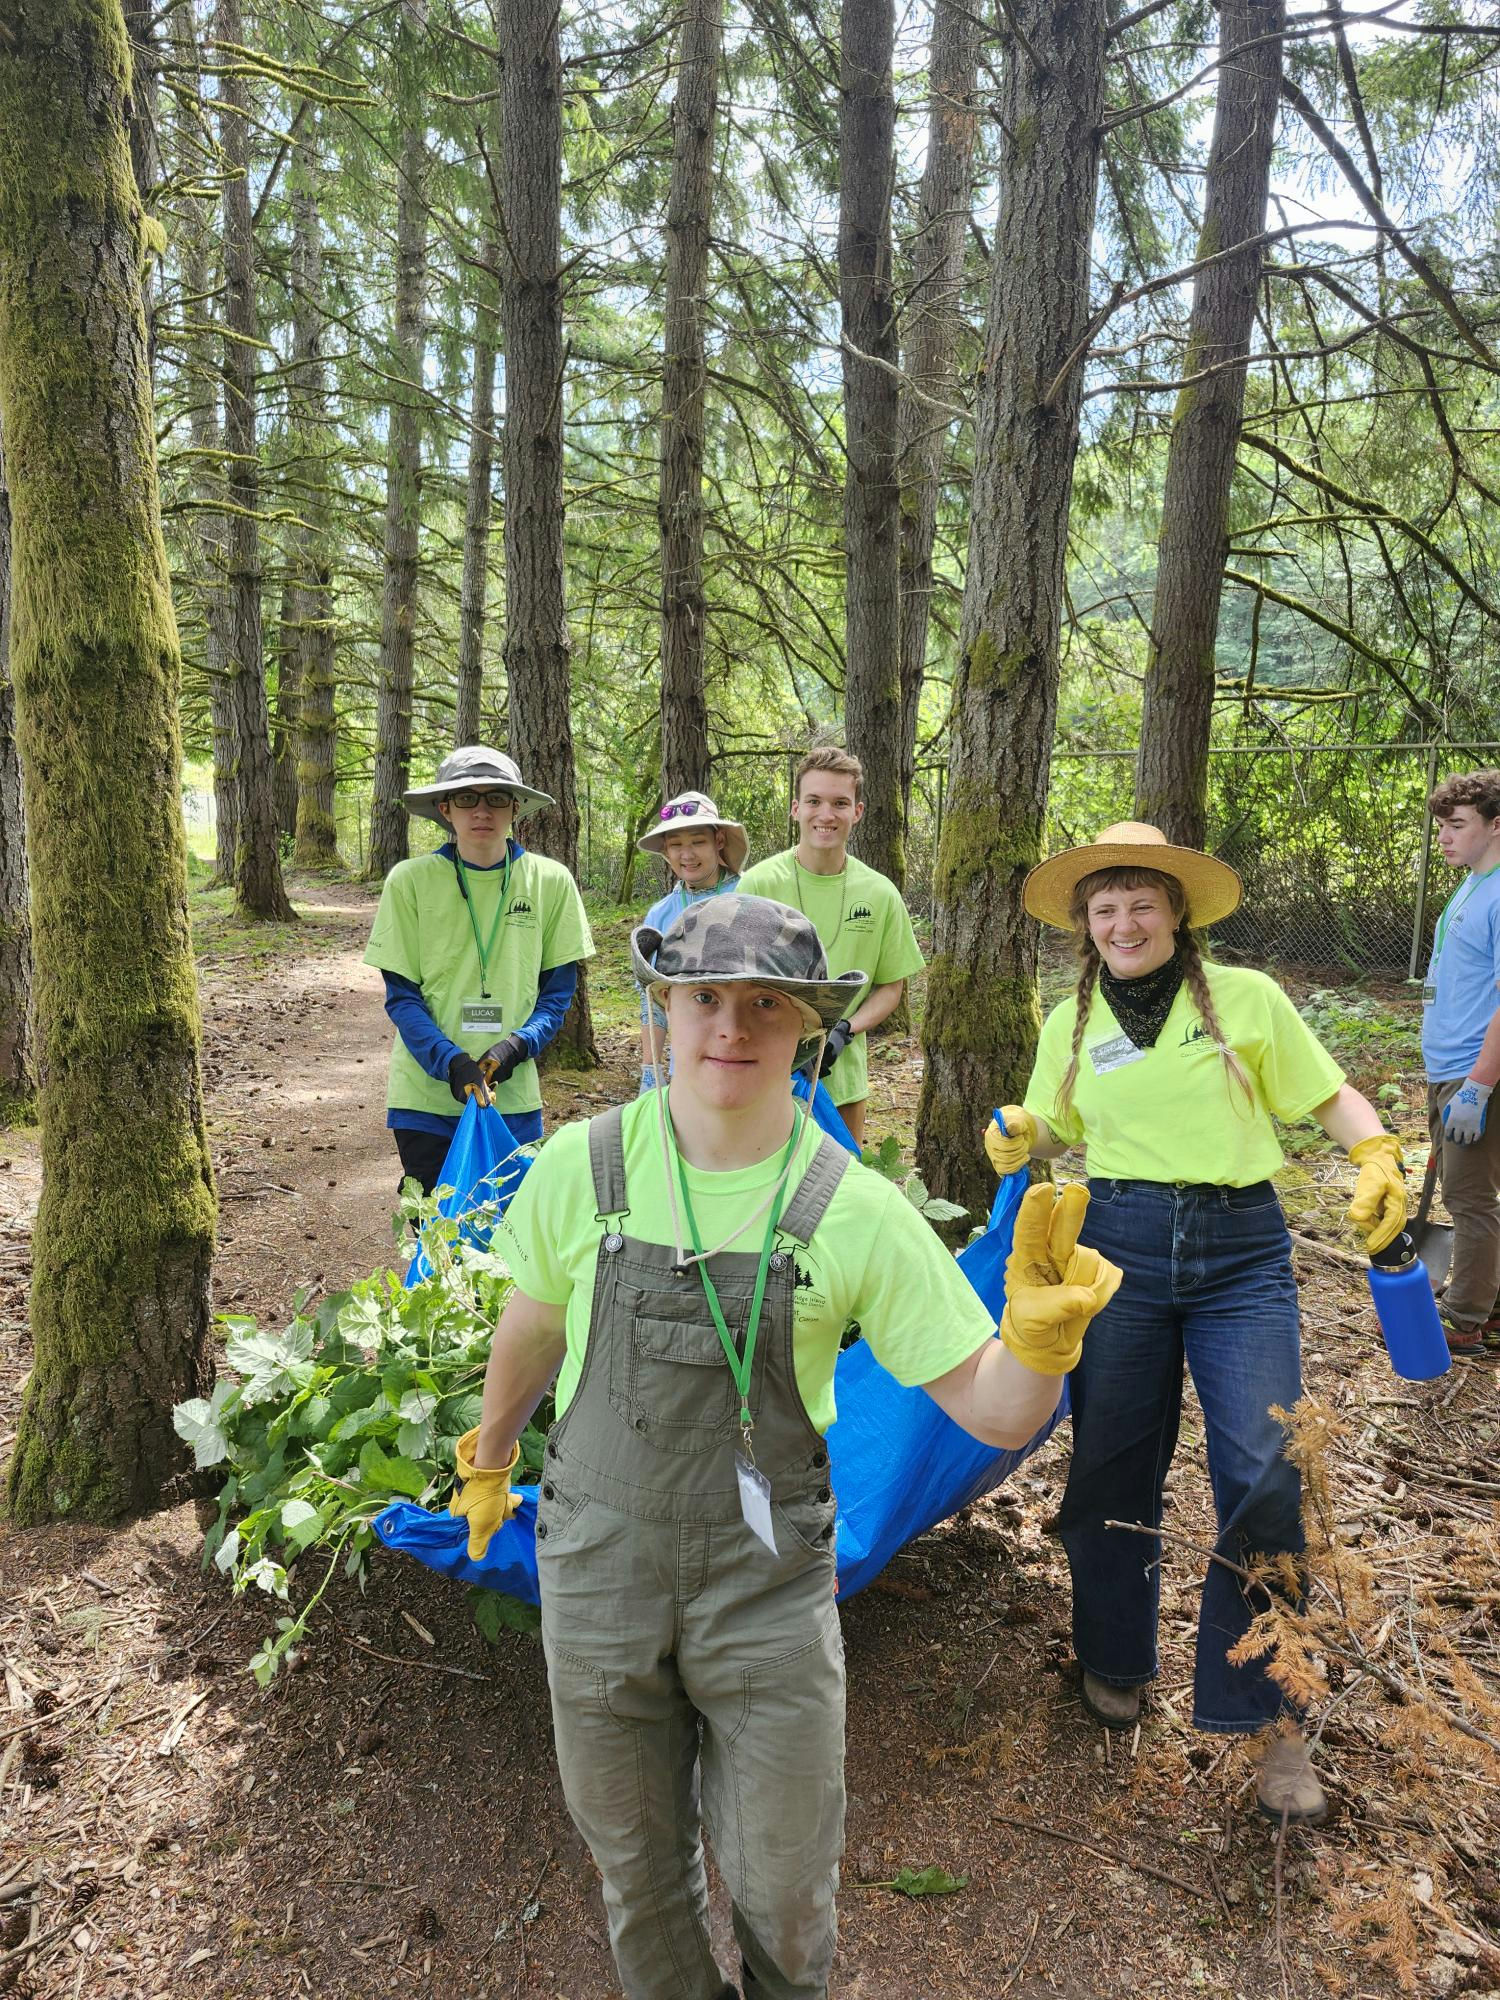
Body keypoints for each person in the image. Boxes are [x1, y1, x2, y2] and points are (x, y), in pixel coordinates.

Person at [449, 895, 1121, 2000]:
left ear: (810, 1023)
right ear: (663, 1006)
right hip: (595, 1565)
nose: (731, 1025)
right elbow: (531, 1322)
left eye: (767, 1002)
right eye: (705, 996)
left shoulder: (853, 1207)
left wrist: (1041, 1341)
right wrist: (493, 1453)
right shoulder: (582, 1164)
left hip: (765, 1587)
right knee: (635, 1861)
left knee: (785, 1878)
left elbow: (997, 1412)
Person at [982, 821, 1406, 1825]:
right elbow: (1054, 1121)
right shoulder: (1069, 1019)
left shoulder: (1247, 999)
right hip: (1119, 1237)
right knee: (1112, 1463)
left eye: (1141, 902)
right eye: (1104, 906)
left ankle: (1276, 1717)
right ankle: (1116, 1652)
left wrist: (1379, 1145)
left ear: (1176, 910)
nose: (1123, 921)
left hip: (1242, 1250)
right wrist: (1018, 1130)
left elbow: (1329, 1093)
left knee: (1265, 1469)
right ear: (1086, 924)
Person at [363, 745, 595, 1195]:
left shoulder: (551, 880)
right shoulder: (409, 880)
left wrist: (515, 1047)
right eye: (467, 798)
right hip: (425, 1099)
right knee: (436, 1238)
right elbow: (402, 996)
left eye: (496, 798)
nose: (482, 810)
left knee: (506, 1232)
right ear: (445, 808)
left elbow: (557, 992)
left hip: (512, 1097)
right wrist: (449, 1062)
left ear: (516, 807)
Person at [737, 748, 923, 1146]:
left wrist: (845, 1030)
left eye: (840, 803)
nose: (826, 814)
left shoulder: (879, 893)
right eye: (814, 801)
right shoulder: (757, 885)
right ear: (795, 808)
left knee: (840, 1193)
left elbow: (890, 987)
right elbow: (733, 980)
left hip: (842, 1078)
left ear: (857, 812)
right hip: (762, 1072)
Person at [1420, 769, 1500, 1356]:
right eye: (1441, 826)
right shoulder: (1473, 881)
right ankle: (1490, 1306)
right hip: (1449, 1066)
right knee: (1468, 1191)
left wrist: (1477, 1085)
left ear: (1496, 826)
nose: (1443, 837)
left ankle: (1465, 1317)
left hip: (1475, 1071)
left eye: (1456, 825)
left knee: (1469, 1200)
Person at [635, 789, 748, 1090]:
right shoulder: (660, 915)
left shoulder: (749, 896)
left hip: (746, 1052)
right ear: (666, 851)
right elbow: (651, 997)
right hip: (687, 1063)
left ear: (718, 841)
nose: (687, 855)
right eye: (676, 845)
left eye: (698, 842)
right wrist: (651, 1068)